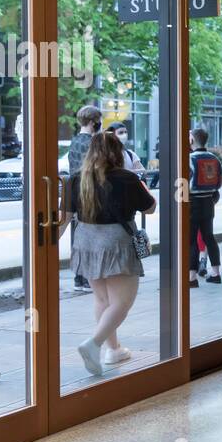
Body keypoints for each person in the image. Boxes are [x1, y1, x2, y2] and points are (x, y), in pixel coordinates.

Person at [62, 131, 157, 375]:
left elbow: (64, 218)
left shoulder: (76, 179)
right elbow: (150, 208)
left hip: (85, 241)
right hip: (116, 241)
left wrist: (48, 245)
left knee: (102, 299)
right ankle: (93, 344)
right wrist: (144, 186)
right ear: (118, 152)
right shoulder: (127, 178)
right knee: (122, 302)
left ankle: (112, 349)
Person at [67, 105, 102, 290]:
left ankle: (79, 277)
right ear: (92, 122)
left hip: (75, 194)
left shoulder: (73, 142)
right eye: (98, 121)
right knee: (91, 236)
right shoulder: (93, 143)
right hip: (91, 193)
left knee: (79, 237)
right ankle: (87, 277)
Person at [187, 127, 222, 288]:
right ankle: (216, 274)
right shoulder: (215, 159)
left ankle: (191, 277)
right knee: (209, 237)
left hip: (192, 203)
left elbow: (184, 183)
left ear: (192, 140)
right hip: (209, 202)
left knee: (192, 240)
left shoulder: (188, 159)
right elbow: (219, 183)